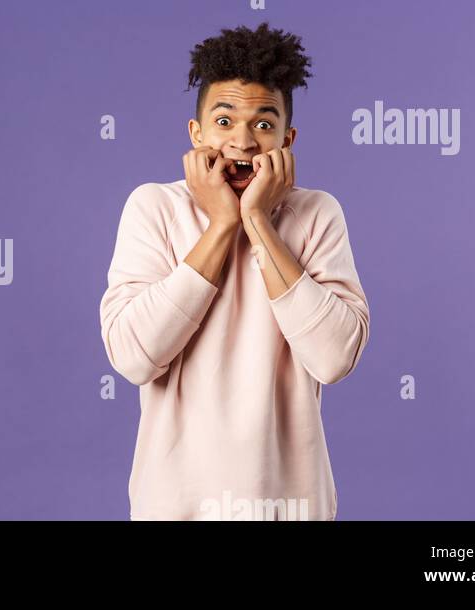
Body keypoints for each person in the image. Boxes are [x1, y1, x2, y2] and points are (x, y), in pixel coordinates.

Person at [99, 22, 370, 521]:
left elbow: (333, 357)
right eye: (224, 122)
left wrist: (259, 222)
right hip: (175, 507)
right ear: (196, 132)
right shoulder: (154, 207)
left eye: (263, 124)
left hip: (290, 506)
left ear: (287, 139)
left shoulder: (317, 214)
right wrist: (223, 224)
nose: (242, 142)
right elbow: (135, 357)